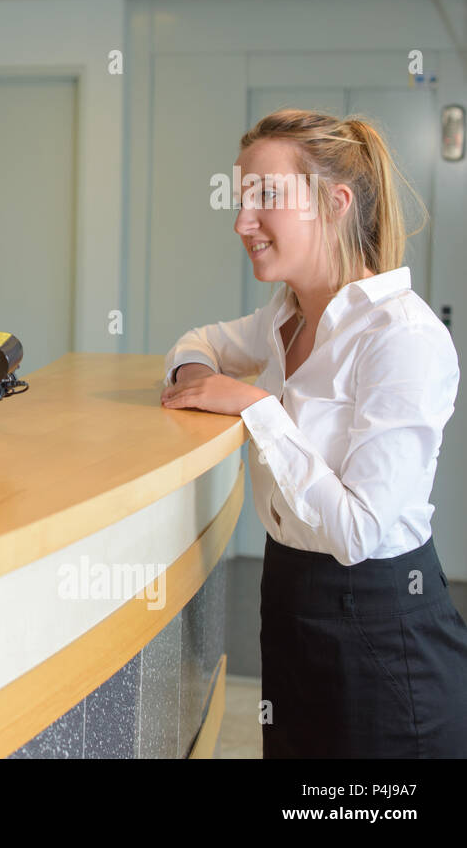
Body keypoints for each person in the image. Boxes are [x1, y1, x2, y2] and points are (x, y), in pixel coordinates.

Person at [160, 108, 467, 757]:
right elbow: (201, 341)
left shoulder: (401, 337)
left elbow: (358, 530)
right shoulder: (287, 315)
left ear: (336, 202)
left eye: (265, 197)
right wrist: (197, 377)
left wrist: (254, 406)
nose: (244, 222)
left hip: (382, 626)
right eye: (241, 200)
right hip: (290, 595)